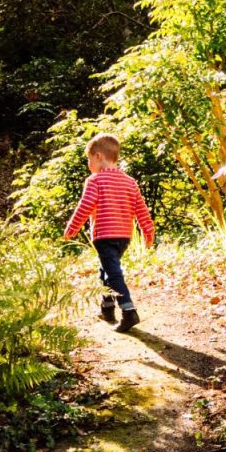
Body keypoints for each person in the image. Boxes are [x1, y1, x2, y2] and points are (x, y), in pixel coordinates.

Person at [63, 133, 154, 333]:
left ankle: (128, 311)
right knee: (107, 270)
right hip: (124, 236)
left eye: (88, 159)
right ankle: (107, 307)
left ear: (98, 157)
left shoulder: (95, 181)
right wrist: (148, 231)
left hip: (104, 236)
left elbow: (85, 206)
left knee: (113, 273)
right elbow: (141, 208)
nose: (88, 164)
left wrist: (72, 228)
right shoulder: (130, 182)